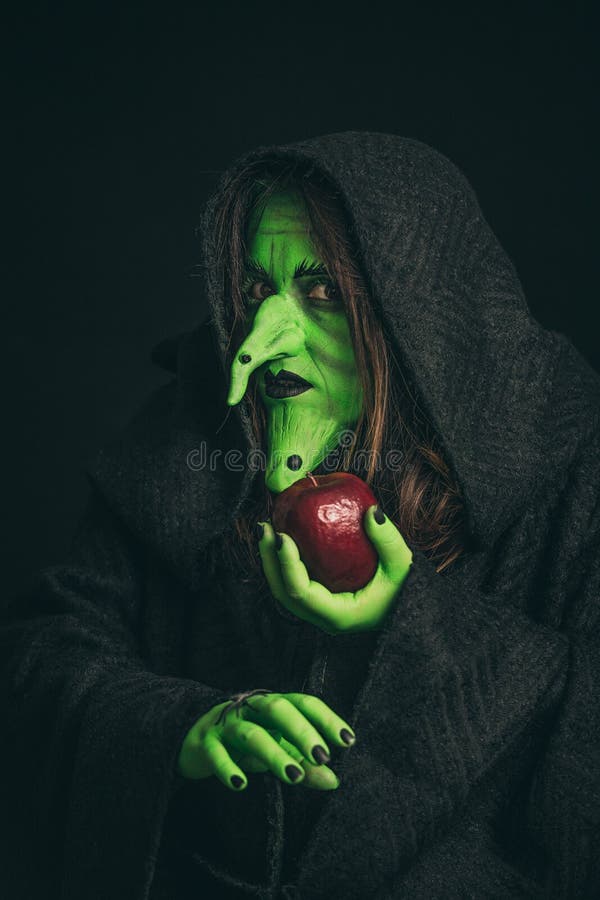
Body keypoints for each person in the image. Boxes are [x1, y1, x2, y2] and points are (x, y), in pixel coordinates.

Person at [1, 132, 599, 900]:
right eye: (254, 292)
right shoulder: (191, 428)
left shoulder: (566, 458)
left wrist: (414, 625)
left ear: (419, 315)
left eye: (323, 293)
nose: (262, 339)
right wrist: (180, 730)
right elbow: (37, 656)